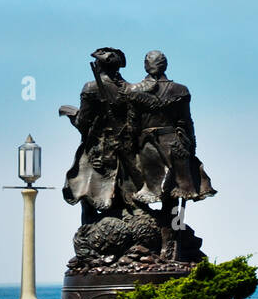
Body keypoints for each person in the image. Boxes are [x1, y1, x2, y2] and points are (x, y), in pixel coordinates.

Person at [128, 50, 216, 212]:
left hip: (147, 147)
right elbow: (186, 122)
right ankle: (170, 231)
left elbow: (133, 124)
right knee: (174, 194)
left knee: (144, 190)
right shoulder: (180, 90)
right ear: (165, 65)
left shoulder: (134, 91)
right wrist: (191, 147)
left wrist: (131, 146)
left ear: (146, 66)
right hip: (174, 144)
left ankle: (163, 229)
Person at [59, 47, 139, 221]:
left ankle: (91, 234)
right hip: (124, 150)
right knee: (122, 200)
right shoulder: (130, 89)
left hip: (97, 149)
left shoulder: (90, 87)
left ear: (99, 65)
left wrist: (72, 115)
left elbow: (83, 122)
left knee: (85, 195)